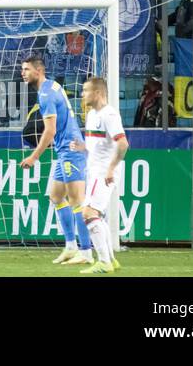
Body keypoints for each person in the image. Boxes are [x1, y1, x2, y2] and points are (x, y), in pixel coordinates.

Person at [19, 53, 92, 265]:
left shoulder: (45, 95)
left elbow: (49, 131)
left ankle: (86, 252)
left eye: (26, 69)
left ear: (38, 70)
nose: (22, 73)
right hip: (64, 150)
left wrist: (33, 157)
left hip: (71, 150)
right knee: (56, 196)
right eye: (22, 69)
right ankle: (71, 247)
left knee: (77, 201)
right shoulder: (52, 86)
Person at [78, 76, 128, 274]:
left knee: (88, 214)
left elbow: (123, 144)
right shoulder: (91, 114)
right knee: (97, 215)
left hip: (104, 172)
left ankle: (104, 262)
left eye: (86, 90)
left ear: (97, 93)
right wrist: (83, 147)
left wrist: (110, 168)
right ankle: (111, 260)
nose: (83, 94)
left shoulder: (109, 115)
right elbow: (97, 144)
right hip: (95, 170)